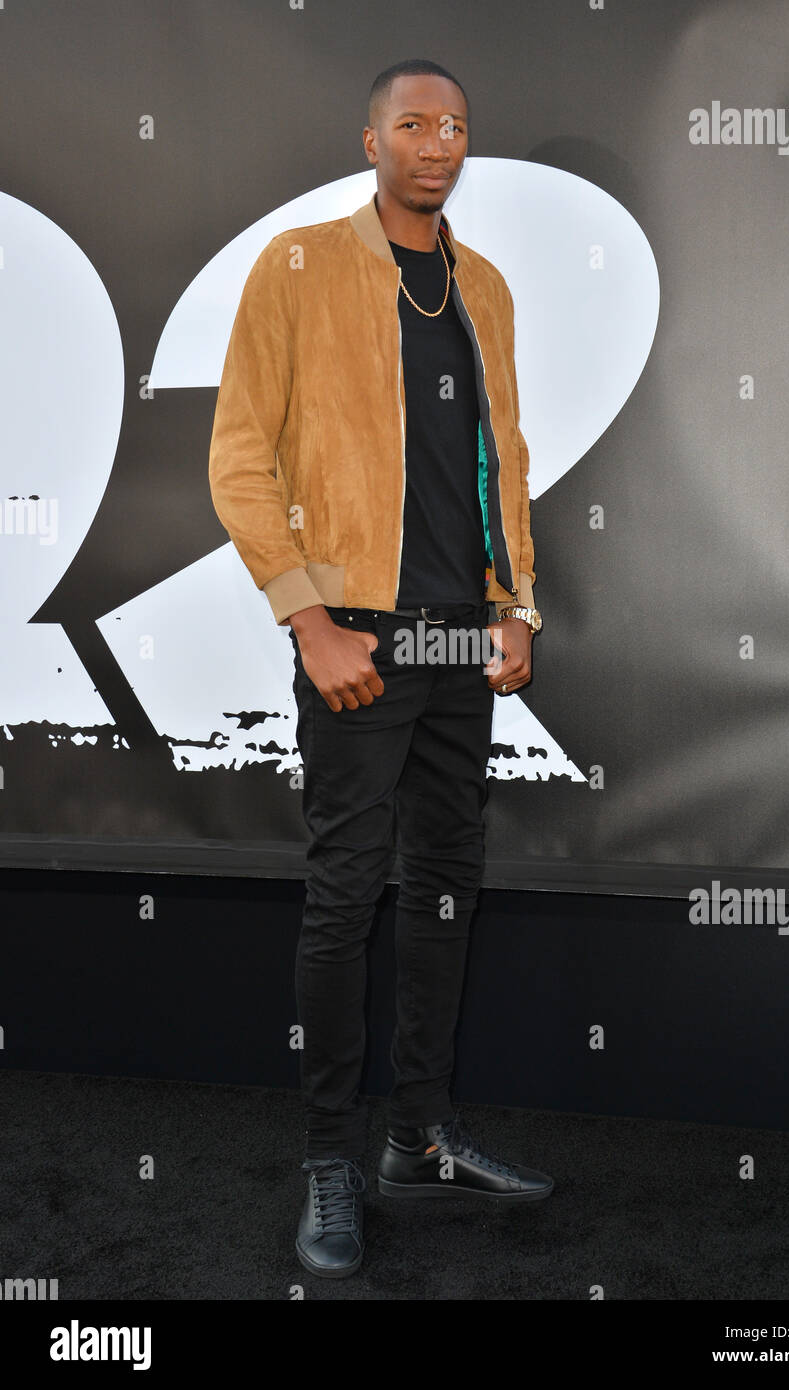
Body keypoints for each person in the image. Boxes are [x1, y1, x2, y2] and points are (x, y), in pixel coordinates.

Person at [208, 57, 551, 1281]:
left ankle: (417, 1137)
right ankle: (328, 1160)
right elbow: (240, 456)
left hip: (463, 635)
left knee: (448, 884)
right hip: (352, 629)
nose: (437, 142)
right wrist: (308, 620)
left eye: (456, 125)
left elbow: (500, 456)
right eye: (414, 123)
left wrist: (516, 607)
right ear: (370, 141)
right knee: (346, 895)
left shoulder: (488, 289)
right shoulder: (296, 268)